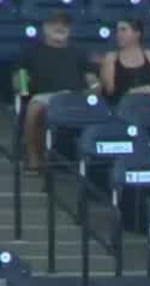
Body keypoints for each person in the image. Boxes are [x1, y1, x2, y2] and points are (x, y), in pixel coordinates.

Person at [14, 12, 98, 173]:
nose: (59, 27)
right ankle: (34, 159)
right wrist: (23, 89)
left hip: (73, 97)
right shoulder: (31, 51)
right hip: (44, 97)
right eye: (54, 24)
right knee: (34, 109)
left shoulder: (79, 52)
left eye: (64, 24)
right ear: (45, 27)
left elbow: (92, 79)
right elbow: (20, 75)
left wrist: (94, 89)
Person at [99, 19, 150, 105]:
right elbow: (109, 91)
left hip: (149, 105)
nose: (118, 34)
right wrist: (135, 93)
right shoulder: (111, 58)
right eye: (117, 31)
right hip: (122, 106)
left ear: (137, 34)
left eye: (123, 30)